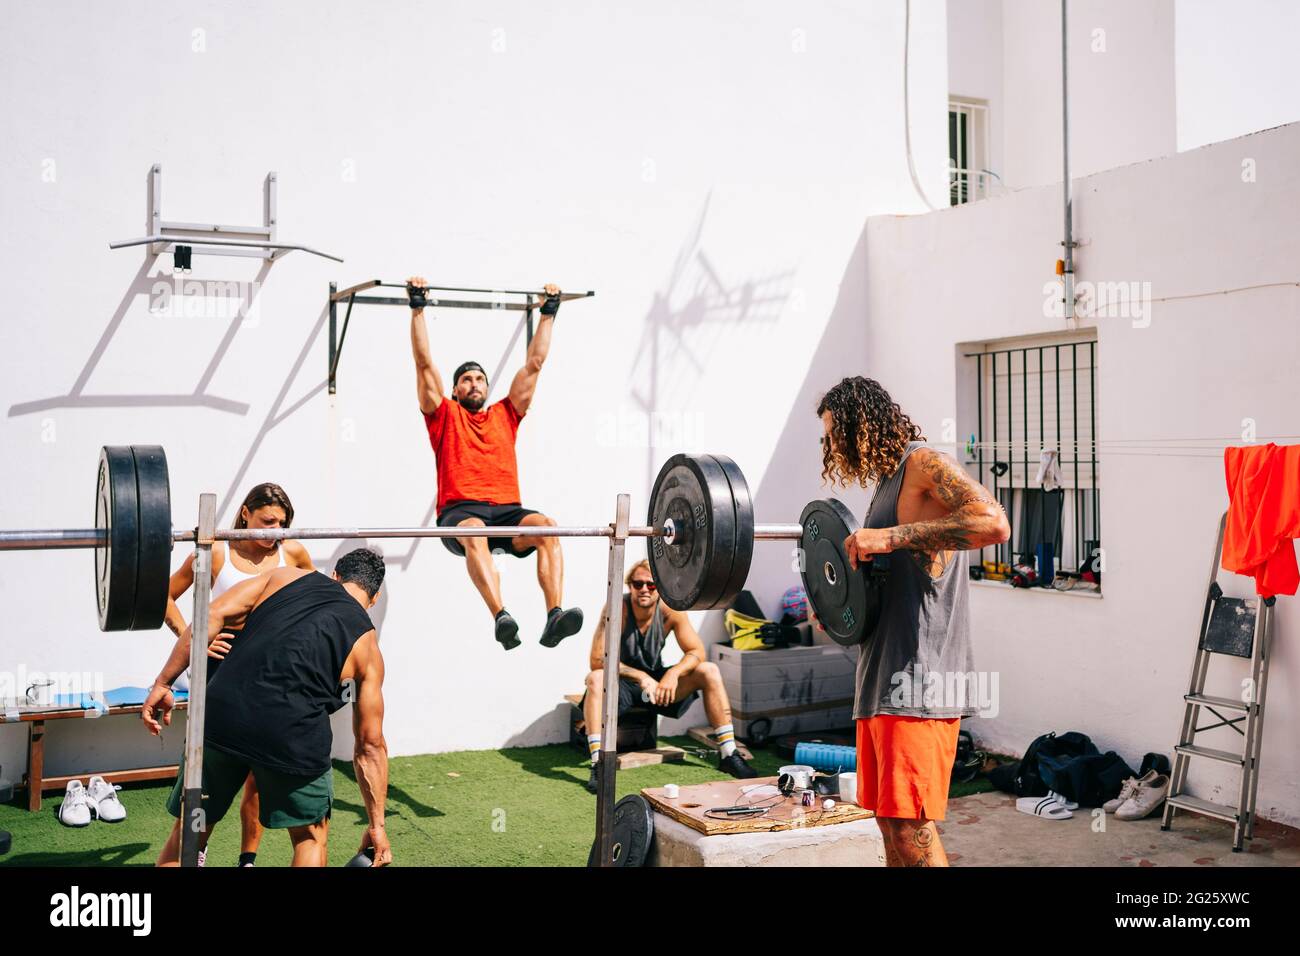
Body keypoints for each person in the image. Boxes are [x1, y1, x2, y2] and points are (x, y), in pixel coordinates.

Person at [817, 376, 1009, 866]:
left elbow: (993, 522)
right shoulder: (886, 484)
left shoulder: (924, 464)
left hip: (918, 680)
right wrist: (843, 612)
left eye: (834, 433)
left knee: (912, 827)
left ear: (863, 425)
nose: (830, 445)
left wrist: (892, 536)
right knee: (888, 822)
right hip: (881, 675)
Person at [144, 549, 389, 868]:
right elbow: (370, 746)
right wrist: (377, 826)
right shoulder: (368, 648)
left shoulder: (285, 576)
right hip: (290, 735)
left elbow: (213, 614)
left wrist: (164, 682)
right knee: (309, 838)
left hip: (222, 716)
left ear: (335, 575)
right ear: (374, 597)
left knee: (193, 828)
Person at [407, 275, 583, 651]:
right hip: (461, 513)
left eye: (480, 379)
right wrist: (417, 306)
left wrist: (549, 312)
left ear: (487, 388)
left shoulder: (506, 414)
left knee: (548, 528)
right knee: (474, 529)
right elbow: (423, 363)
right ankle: (501, 616)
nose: (474, 384)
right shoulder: (444, 415)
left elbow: (534, 364)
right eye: (466, 380)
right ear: (455, 389)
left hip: (507, 514)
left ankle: (554, 615)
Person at [161, 482, 313, 867]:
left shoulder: (292, 553)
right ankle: (196, 847)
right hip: (220, 672)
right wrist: (193, 640)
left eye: (282, 523)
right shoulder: (216, 555)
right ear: (245, 513)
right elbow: (166, 594)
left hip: (270, 672)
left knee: (256, 777)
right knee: (205, 771)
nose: (274, 531)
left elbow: (316, 603)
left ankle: (247, 858)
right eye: (267, 521)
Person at [581, 559, 757, 793]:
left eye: (651, 586)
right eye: (638, 584)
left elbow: (697, 652)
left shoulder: (670, 610)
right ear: (630, 586)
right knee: (595, 678)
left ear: (659, 589)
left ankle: (729, 754)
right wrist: (641, 676)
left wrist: (673, 674)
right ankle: (599, 764)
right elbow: (597, 660)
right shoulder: (617, 609)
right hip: (621, 682)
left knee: (709, 670)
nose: (644, 589)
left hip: (658, 685)